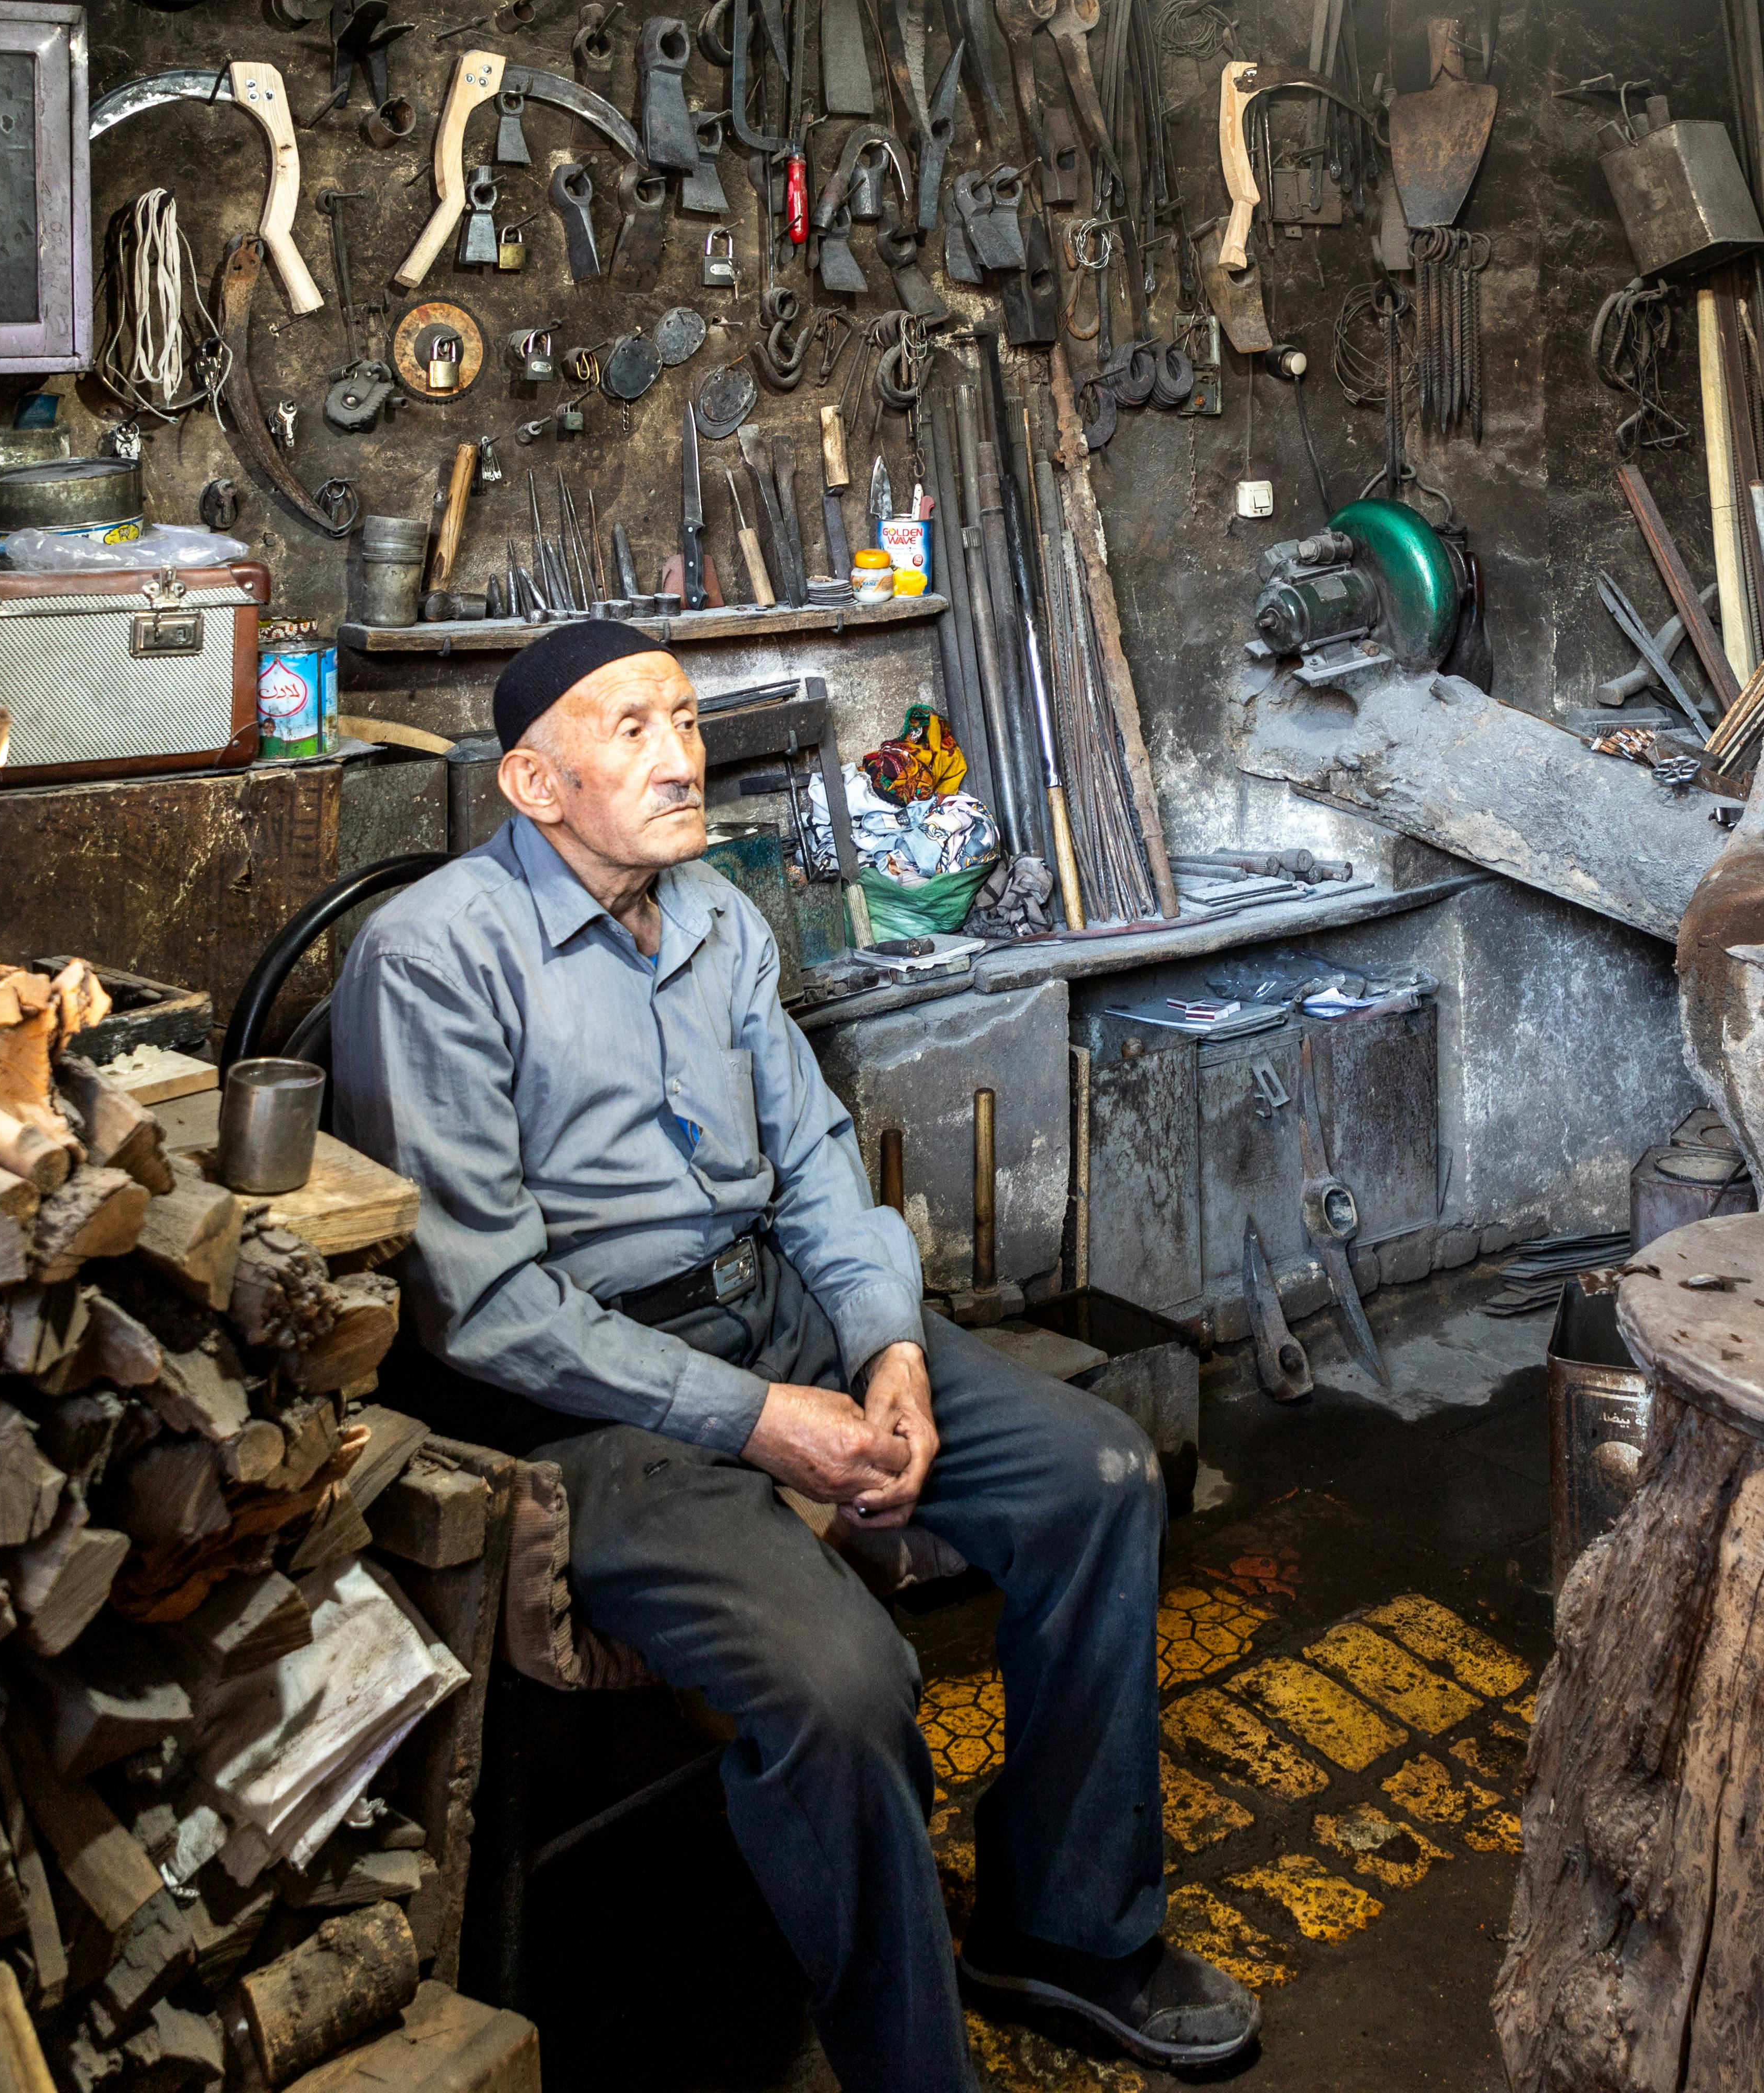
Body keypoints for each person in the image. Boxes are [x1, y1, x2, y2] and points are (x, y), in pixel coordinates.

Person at [330, 621, 1257, 2089]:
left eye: (686, 721)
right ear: (534, 781)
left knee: (1097, 1474)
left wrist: (887, 1342)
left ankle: (1069, 1933)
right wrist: (761, 1421)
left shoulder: (719, 922)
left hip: (771, 1311)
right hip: (585, 1399)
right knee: (845, 1683)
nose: (680, 755)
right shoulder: (431, 958)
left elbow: (819, 1162)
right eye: (629, 728)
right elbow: (487, 1310)